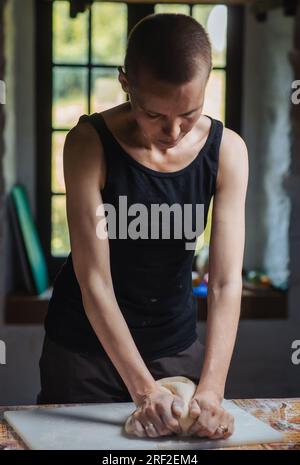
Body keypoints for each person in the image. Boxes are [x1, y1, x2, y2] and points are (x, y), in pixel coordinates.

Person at [37, 13, 248, 440]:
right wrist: (143, 390)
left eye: (189, 113)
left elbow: (225, 282)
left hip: (174, 347)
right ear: (125, 83)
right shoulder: (88, 143)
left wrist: (212, 390)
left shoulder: (227, 151)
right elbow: (94, 279)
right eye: (154, 114)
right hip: (84, 352)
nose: (172, 131)